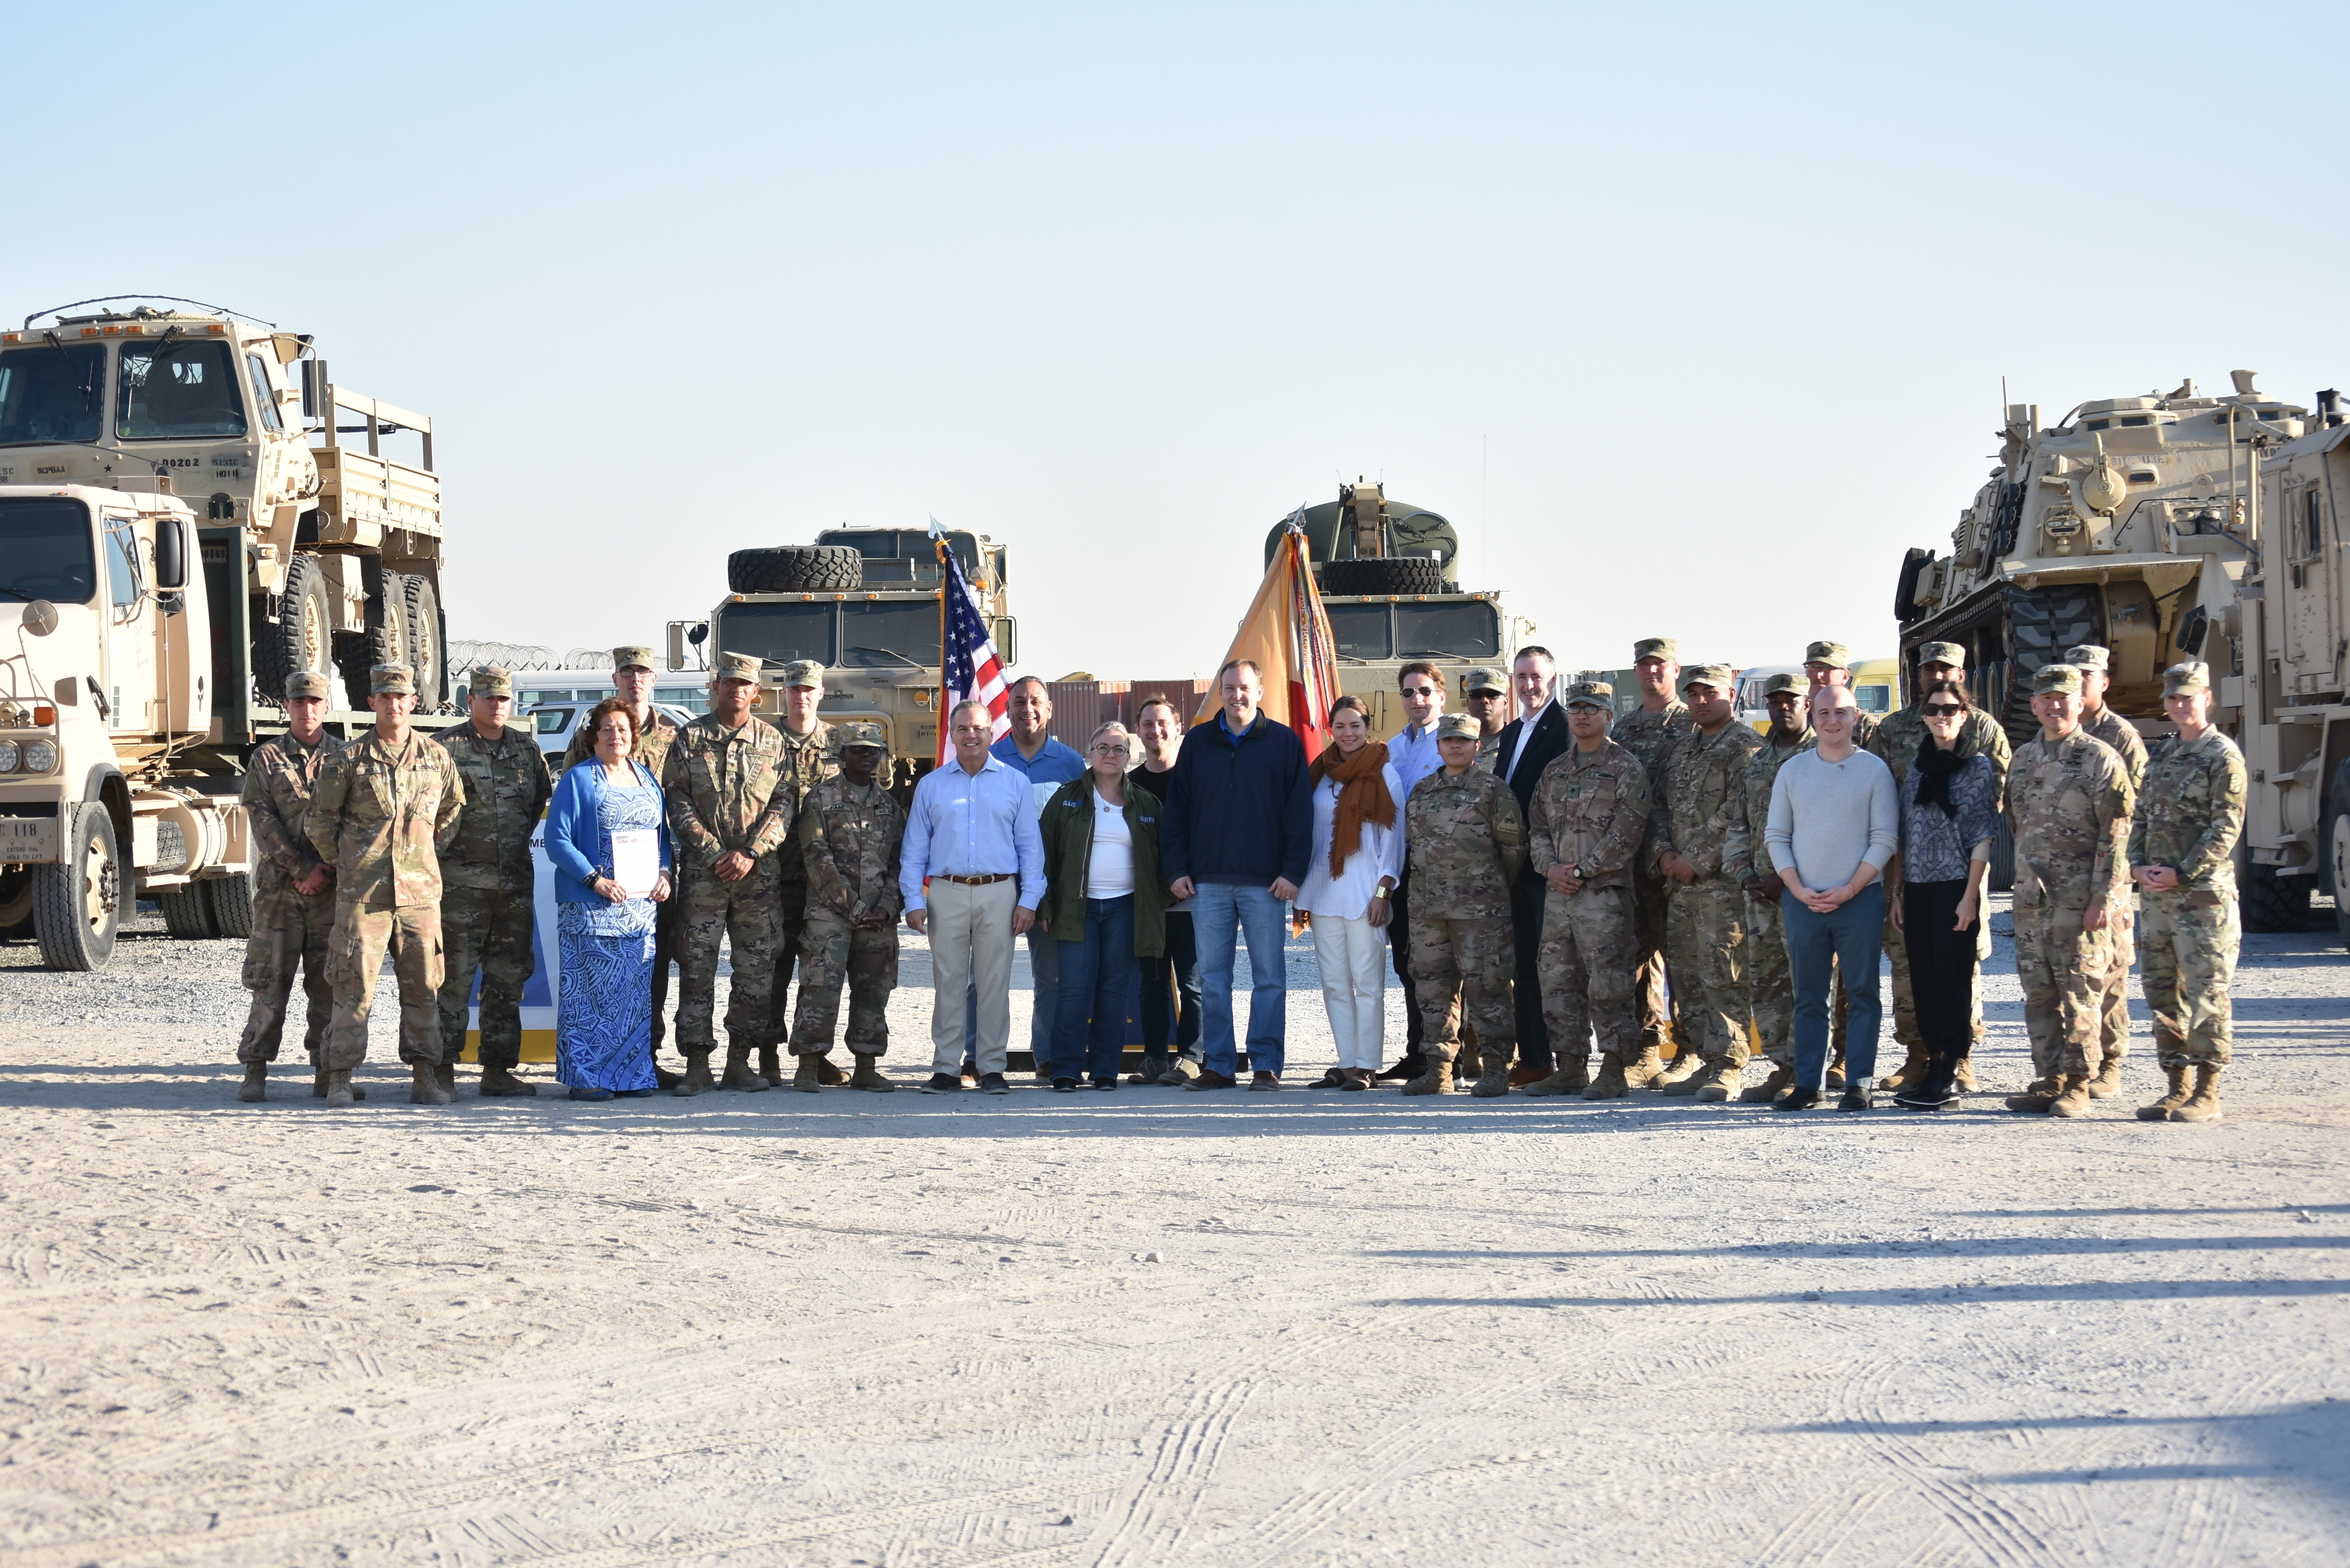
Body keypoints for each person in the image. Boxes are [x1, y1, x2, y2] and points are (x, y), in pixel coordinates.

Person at [306, 662, 466, 1108]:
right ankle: (338, 1076)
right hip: (365, 897)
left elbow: (452, 811)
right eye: (385, 696)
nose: (394, 704)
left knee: (423, 988)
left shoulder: (436, 757)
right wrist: (349, 863)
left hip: (419, 897)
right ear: (371, 702)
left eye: (402, 697)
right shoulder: (348, 761)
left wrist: (423, 856)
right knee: (352, 986)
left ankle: (424, 1076)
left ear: (414, 702)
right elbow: (320, 822)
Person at [1864, 639, 2011, 1093]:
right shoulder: (1894, 731)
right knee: (1915, 968)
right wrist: (1896, 889)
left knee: (1960, 969)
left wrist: (1971, 889)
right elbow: (1890, 806)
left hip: (1962, 875)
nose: (1936, 676)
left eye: (1945, 669)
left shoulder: (1983, 734)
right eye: (1928, 669)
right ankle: (1920, 1056)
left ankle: (1958, 1058)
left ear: (1962, 678)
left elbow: (1989, 810)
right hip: (1914, 878)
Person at [1160, 659, 1313, 1091]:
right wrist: (1176, 869)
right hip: (1207, 883)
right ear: (1220, 692)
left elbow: (1298, 815)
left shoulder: (1283, 742)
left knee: (1269, 976)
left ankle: (1266, 1063)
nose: (1237, 696)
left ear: (1259, 691)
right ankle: (1220, 1065)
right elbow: (1178, 813)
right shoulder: (1197, 743)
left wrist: (1292, 872)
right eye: (1229, 688)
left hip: (1266, 884)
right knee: (1212, 977)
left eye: (1245, 688)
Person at [2001, 664, 2133, 1117]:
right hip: (2032, 903)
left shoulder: (2100, 759)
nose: (2055, 706)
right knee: (2039, 993)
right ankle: (2050, 1077)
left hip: (2080, 902)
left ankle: (2080, 1082)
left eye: (2065, 699)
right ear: (2034, 705)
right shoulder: (2022, 760)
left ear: (2081, 704)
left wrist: (2103, 899)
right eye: (2047, 699)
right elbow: (2018, 825)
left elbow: (2116, 837)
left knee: (2081, 993)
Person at [662, 651, 793, 1096]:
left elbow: (784, 803)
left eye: (745, 684)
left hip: (758, 877)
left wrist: (753, 851)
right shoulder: (689, 738)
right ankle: (697, 1062)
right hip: (704, 875)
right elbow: (677, 799)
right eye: (729, 682)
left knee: (754, 969)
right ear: (715, 687)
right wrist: (716, 851)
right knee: (697, 968)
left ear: (757, 693)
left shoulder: (773, 743)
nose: (736, 690)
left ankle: (740, 1061)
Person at [1765, 682, 1898, 1111]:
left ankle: (1859, 1082)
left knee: (1861, 992)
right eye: (1823, 714)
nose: (1832, 721)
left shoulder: (1874, 770)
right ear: (1812, 715)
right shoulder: (1793, 771)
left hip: (1858, 900)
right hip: (1804, 901)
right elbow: (1777, 836)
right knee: (1809, 995)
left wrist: (1852, 888)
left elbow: (1884, 838)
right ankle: (1808, 1082)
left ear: (1855, 717)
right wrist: (1796, 887)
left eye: (1841, 712)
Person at [903, 699, 1045, 1094]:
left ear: (991, 733)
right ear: (951, 734)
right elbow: (914, 850)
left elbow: (1031, 848)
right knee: (948, 982)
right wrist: (913, 899)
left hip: (999, 892)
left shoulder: (1014, 782)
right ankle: (947, 1068)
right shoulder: (932, 785)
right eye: (962, 728)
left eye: (979, 729)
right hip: (946, 892)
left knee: (994, 984)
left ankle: (992, 1068)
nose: (971, 735)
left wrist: (1029, 900)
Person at [561, 645, 687, 1086]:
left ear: (655, 679)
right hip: (599, 890)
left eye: (644, 672)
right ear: (616, 678)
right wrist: (594, 877)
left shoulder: (674, 736)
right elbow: (573, 808)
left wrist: (667, 872)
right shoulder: (586, 744)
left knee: (646, 976)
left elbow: (674, 808)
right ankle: (593, 1072)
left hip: (648, 887)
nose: (636, 679)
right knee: (594, 987)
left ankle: (643, 1062)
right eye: (627, 672)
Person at [2127, 662, 2247, 1124]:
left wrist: (2183, 871)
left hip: (2201, 898)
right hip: (2157, 897)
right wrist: (2136, 865)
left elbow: (2226, 825)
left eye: (2189, 697)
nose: (2180, 705)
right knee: (2162, 992)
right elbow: (2141, 818)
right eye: (2173, 699)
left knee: (2206, 993)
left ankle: (2208, 1089)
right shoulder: (2162, 755)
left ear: (2207, 699)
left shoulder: (2222, 755)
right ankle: (2175, 1087)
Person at [1523, 680, 1651, 1099]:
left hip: (1605, 896)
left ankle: (1614, 1068)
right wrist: (1550, 868)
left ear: (1608, 716)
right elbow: (1537, 826)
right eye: (1576, 708)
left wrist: (1581, 871)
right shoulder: (1555, 769)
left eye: (1592, 709)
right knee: (1558, 980)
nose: (1582, 715)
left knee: (1609, 983)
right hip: (1559, 896)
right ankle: (1571, 1066)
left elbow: (1627, 832)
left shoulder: (1625, 768)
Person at [544, 698, 673, 1100]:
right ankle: (586, 1079)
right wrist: (595, 880)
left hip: (638, 909)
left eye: (623, 729)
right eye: (607, 730)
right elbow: (557, 840)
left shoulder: (647, 778)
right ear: (593, 738)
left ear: (634, 736)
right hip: (592, 906)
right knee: (588, 996)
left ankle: (631, 1076)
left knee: (633, 996)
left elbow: (662, 839)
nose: (616, 735)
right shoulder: (579, 779)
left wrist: (665, 873)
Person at [1647, 663, 1765, 1101]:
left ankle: (1730, 1065)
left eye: (1709, 693)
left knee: (1724, 975)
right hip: (1679, 886)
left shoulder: (1745, 748)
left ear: (1729, 695)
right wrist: (1664, 855)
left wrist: (1695, 859)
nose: (1700, 701)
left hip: (1721, 887)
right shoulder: (1682, 751)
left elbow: (1738, 812)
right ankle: (1704, 1057)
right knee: (1687, 976)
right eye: (1693, 694)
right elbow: (1657, 807)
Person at [434, 665, 553, 1098]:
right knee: (452, 980)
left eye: (503, 699)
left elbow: (540, 800)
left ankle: (498, 1070)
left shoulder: (526, 750)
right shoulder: (444, 749)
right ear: (471, 702)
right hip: (459, 888)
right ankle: (440, 1066)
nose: (497, 705)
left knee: (507, 981)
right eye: (488, 698)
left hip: (513, 887)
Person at [234, 670, 345, 1102]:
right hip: (281, 893)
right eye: (299, 703)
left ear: (326, 706)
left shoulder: (345, 756)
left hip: (330, 893)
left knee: (327, 985)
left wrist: (328, 870)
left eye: (315, 702)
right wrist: (302, 869)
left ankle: (326, 1069)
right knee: (269, 983)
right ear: (287, 707)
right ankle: (256, 1069)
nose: (308, 710)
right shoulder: (266, 758)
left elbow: (354, 820)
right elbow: (262, 821)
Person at [1886, 682, 1998, 1111]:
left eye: (1951, 709)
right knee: (1925, 979)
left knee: (1952, 979)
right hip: (1917, 888)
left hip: (1955, 886)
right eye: (1934, 709)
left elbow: (1982, 836)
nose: (1942, 716)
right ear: (1925, 716)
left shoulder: (1977, 766)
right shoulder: (1917, 767)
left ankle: (1950, 1069)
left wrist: (1971, 896)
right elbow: (1905, 834)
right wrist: (1896, 892)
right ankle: (1933, 1065)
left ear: (1964, 714)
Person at [1040, 721, 1168, 1090]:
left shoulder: (1145, 802)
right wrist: (1046, 906)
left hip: (1125, 909)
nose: (1110, 755)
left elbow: (1164, 856)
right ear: (1090, 753)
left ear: (1129, 757)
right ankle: (1065, 1069)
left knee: (1113, 990)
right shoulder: (1066, 799)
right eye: (1104, 748)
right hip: (1075, 908)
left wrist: (1159, 899)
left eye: (1119, 750)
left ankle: (1104, 1071)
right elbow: (1044, 856)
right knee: (1074, 988)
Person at [1400, 714, 1525, 1095]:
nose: (1455, 746)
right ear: (1438, 746)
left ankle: (1496, 1070)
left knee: (1488, 988)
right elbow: (1414, 845)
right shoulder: (1422, 791)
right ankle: (1439, 1069)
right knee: (1432, 989)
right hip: (1429, 911)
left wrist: (1484, 888)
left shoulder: (1494, 791)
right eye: (1449, 739)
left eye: (1463, 740)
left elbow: (1514, 850)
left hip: (1480, 912)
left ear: (1477, 746)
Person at [789, 722, 904, 1092]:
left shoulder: (889, 806)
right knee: (820, 988)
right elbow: (817, 858)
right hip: (830, 913)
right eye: (858, 749)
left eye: (873, 750)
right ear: (842, 756)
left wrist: (886, 906)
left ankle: (866, 1065)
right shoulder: (820, 800)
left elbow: (901, 862)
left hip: (877, 916)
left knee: (874, 989)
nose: (867, 755)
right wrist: (853, 908)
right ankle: (809, 1065)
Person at [1297, 696, 1403, 1090]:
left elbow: (1394, 840)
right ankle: (1345, 1061)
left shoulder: (1383, 772)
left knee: (1369, 982)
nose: (1347, 733)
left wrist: (1384, 891)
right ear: (1331, 729)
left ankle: (1368, 1064)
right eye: (1340, 726)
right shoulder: (1320, 772)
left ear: (1367, 727)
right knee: (1335, 982)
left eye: (1355, 725)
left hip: (1365, 894)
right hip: (1324, 891)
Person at [993, 675, 1089, 1077]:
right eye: (1019, 701)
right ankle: (978, 1058)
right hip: (997, 885)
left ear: (1049, 709)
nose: (1027, 709)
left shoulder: (1070, 764)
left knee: (1049, 977)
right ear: (1008, 708)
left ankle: (1046, 1057)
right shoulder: (990, 757)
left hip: (1049, 890)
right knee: (984, 979)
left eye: (1035, 702)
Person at [2066, 643, 2149, 1099]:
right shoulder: (2058, 733)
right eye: (2072, 674)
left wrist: (2121, 874)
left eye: (2088, 675)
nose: (2079, 682)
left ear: (2103, 683)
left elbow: (2136, 809)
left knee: (2112, 970)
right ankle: (2074, 1063)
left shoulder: (2120, 736)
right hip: (2066, 877)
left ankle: (2110, 1063)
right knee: (2073, 975)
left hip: (2111, 874)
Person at [1723, 671, 1811, 1102]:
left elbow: (1827, 830)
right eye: (1775, 701)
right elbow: (1738, 822)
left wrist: (1786, 878)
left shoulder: (1821, 757)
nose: (1783, 707)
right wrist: (1745, 874)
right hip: (1759, 893)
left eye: (1791, 700)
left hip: (1805, 891)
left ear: (1806, 704)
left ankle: (1806, 1067)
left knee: (1807, 981)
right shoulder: (1758, 761)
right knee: (1767, 980)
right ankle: (1782, 1065)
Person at [1490, 647, 1570, 1084]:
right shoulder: (1512, 731)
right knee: (1523, 966)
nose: (1529, 685)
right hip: (1515, 869)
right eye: (1521, 677)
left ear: (1552, 680)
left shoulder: (1564, 728)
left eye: (1536, 677)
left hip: (1550, 868)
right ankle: (1536, 1060)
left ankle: (1567, 1061)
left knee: (1555, 968)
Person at [1612, 637, 1692, 1076]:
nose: (1652, 672)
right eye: (1644, 665)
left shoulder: (1690, 724)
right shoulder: (1622, 729)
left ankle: (1690, 1047)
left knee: (1682, 957)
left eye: (1660, 665)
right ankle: (1647, 1047)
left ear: (1675, 669)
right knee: (1637, 958)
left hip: (1678, 862)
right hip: (1632, 860)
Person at [764, 659, 843, 1088]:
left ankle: (812, 1055)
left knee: (820, 973)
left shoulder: (837, 742)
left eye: (809, 689)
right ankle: (768, 1053)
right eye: (795, 689)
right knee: (772, 967)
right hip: (774, 876)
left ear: (821, 693)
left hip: (824, 879)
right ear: (785, 693)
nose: (802, 696)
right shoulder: (764, 740)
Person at [1379, 664, 1448, 1083]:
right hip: (1401, 870)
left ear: (1440, 694)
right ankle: (1417, 1053)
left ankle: (1448, 1055)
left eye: (1424, 691)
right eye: (1408, 693)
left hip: (1441, 871)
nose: (1416, 700)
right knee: (1408, 965)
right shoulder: (1392, 749)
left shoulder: (1452, 741)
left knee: (1443, 966)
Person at [1131, 697, 1203, 1083]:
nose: (1156, 731)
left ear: (1179, 729)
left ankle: (1191, 1057)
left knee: (1192, 983)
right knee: (1151, 984)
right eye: (1148, 724)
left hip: (1190, 900)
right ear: (1138, 730)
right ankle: (1155, 1057)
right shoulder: (1130, 784)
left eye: (1163, 724)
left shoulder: (1194, 780)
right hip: (1148, 904)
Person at [1461, 666, 1510, 772]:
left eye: (1492, 695)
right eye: (1476, 695)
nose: (1484, 700)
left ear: (1505, 703)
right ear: (1468, 703)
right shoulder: (1457, 744)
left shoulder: (1517, 741)